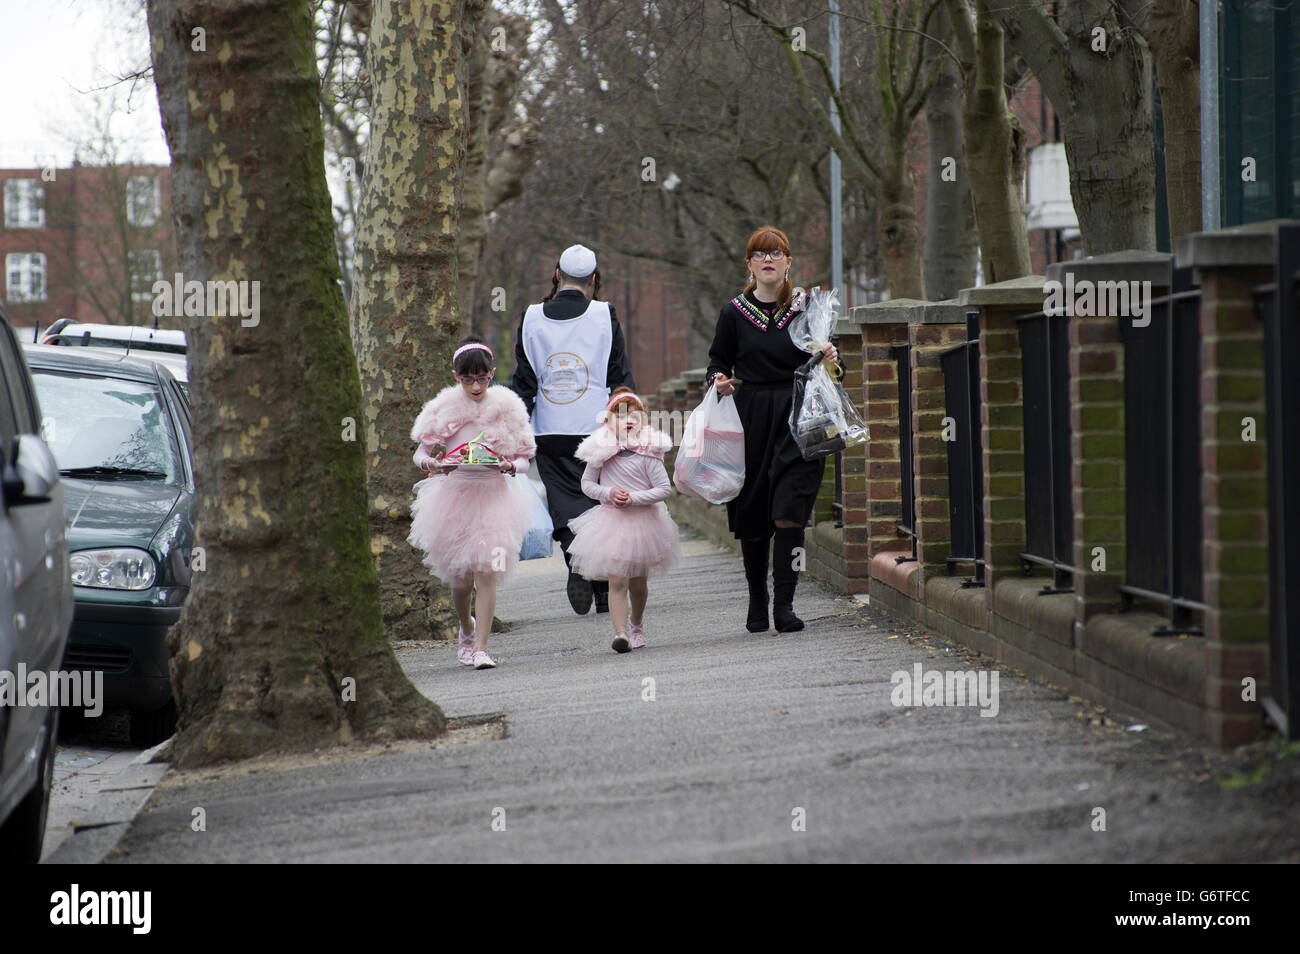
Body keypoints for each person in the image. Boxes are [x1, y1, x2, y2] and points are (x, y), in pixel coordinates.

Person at [706, 226, 837, 634]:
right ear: (749, 265)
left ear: (788, 261)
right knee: (754, 517)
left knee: (789, 515)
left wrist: (832, 356)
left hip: (801, 419)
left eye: (776, 253)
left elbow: (836, 372)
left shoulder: (809, 308)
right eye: (760, 254)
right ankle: (757, 599)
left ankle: (785, 604)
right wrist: (719, 381)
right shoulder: (733, 313)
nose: (768, 259)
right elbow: (716, 365)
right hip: (750, 422)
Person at [510, 244, 637, 617]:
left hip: (550, 429)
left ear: (556, 275)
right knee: (598, 501)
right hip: (595, 427)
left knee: (565, 502)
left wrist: (515, 428)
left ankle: (577, 564)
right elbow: (619, 374)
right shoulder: (604, 314)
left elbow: (524, 381)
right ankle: (602, 591)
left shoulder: (531, 317)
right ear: (594, 280)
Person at [408, 335, 537, 670]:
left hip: (495, 498)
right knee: (461, 580)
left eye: (482, 378)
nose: (476, 385)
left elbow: (524, 457)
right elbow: (420, 452)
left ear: (491, 374)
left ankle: (481, 647)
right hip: (454, 498)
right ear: (456, 377)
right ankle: (466, 626)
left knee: (486, 571)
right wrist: (432, 464)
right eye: (468, 378)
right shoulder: (442, 409)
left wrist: (509, 466)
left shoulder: (507, 408)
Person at [567, 387, 681, 653]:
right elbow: (587, 484)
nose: (628, 421)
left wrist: (634, 498)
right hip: (611, 524)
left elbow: (664, 489)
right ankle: (620, 633)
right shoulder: (601, 452)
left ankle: (636, 623)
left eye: (634, 415)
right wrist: (607, 493)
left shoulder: (648, 452)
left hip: (644, 524)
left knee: (638, 584)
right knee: (617, 581)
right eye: (620, 416)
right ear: (607, 421)